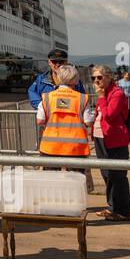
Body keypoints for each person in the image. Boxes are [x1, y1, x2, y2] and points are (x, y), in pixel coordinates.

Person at [35, 63, 94, 192]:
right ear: (75, 79)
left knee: (50, 182)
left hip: (51, 147)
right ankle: (75, 207)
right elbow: (89, 122)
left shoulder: (46, 98)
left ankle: (51, 206)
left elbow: (40, 120)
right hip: (75, 148)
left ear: (59, 78)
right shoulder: (82, 98)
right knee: (76, 183)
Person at [88, 64, 130, 220]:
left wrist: (101, 97)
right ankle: (112, 207)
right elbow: (98, 116)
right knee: (107, 174)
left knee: (118, 175)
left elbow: (110, 116)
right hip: (101, 138)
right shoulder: (105, 93)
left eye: (99, 77)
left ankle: (122, 211)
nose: (96, 81)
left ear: (108, 77)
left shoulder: (117, 94)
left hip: (115, 139)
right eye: (93, 78)